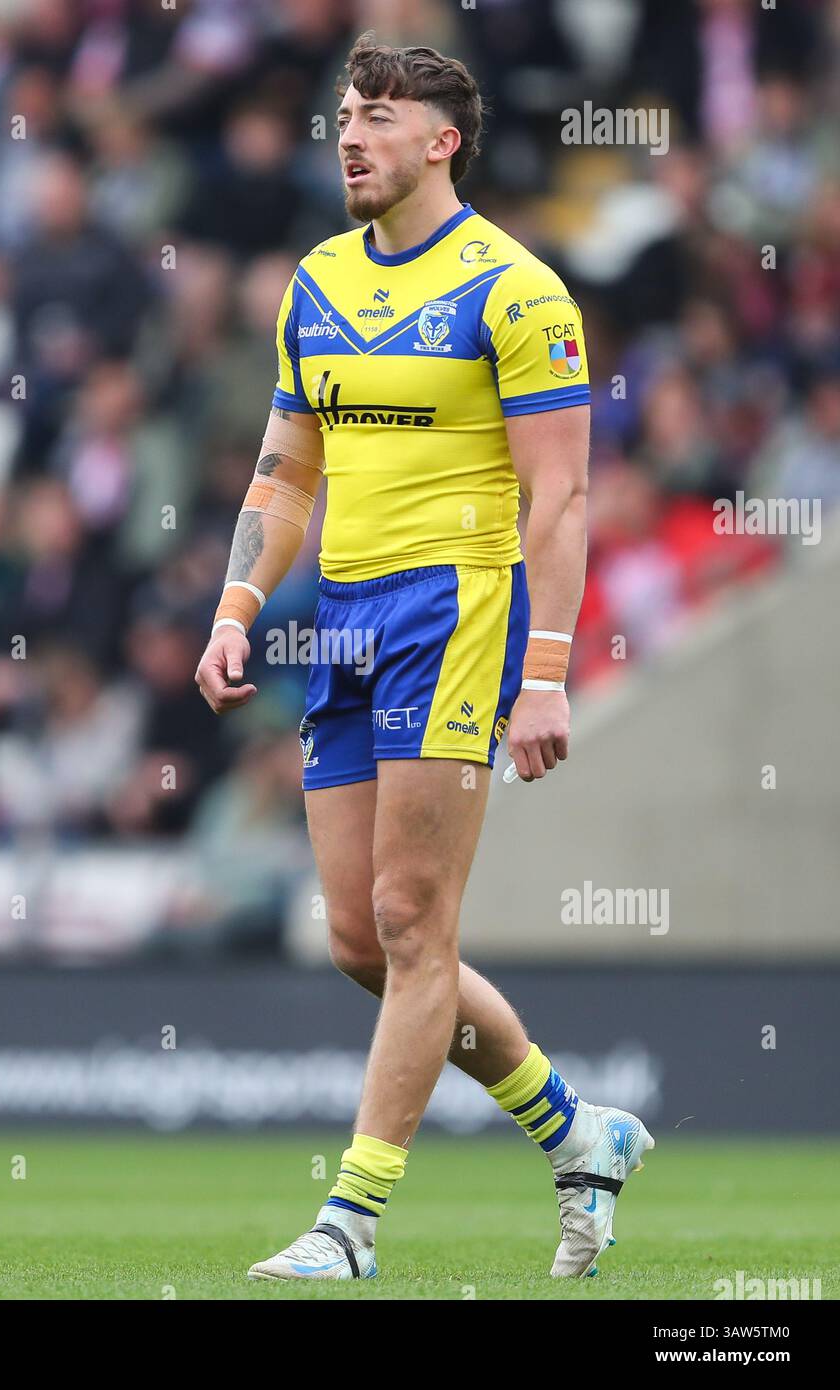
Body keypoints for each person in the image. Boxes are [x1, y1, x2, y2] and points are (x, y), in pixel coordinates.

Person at [195, 33, 653, 1283]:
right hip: (342, 613)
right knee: (360, 938)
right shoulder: (316, 282)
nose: (349, 133)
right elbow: (287, 467)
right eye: (345, 113)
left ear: (442, 141)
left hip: (455, 611)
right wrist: (239, 600)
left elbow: (558, 498)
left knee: (411, 917)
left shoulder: (514, 290)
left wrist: (545, 669)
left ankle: (349, 1220)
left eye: (380, 116)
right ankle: (580, 1130)